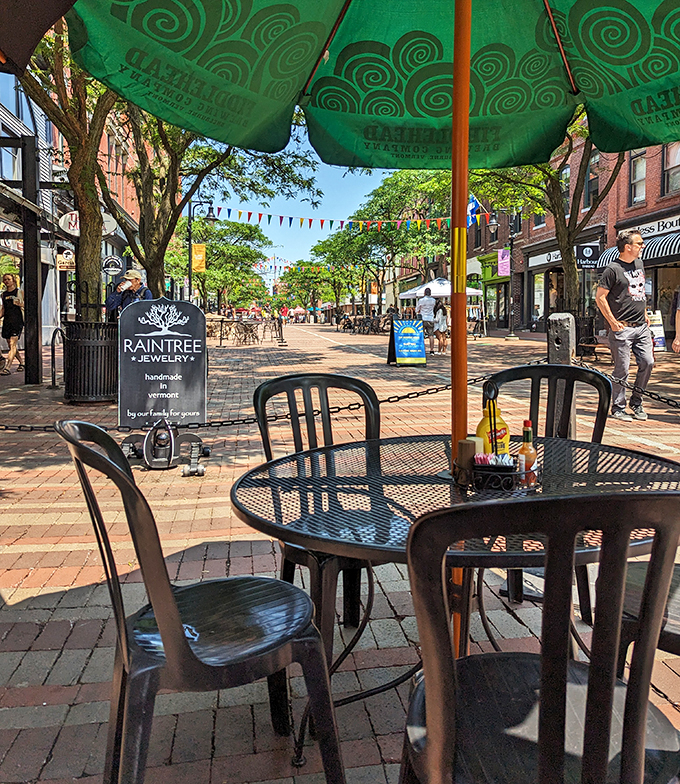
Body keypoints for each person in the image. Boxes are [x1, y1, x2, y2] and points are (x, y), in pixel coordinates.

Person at [595, 229, 653, 421]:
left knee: (647, 362)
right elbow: (600, 297)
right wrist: (612, 322)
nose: (642, 246)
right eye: (639, 243)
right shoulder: (612, 269)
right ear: (628, 247)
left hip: (641, 327)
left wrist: (644, 313)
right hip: (622, 328)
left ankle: (636, 402)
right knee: (623, 369)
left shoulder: (639, 263)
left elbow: (639, 292)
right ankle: (618, 407)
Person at [0, 273, 24, 374]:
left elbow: (26, 305)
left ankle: (8, 367)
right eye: (5, 279)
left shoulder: (19, 292)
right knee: (11, 346)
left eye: (9, 279)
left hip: (17, 321)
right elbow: (3, 309)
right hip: (7, 321)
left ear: (13, 280)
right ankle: (22, 363)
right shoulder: (3, 294)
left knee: (12, 344)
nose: (7, 281)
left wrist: (19, 303)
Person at [416, 287, 436, 355]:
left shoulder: (421, 300)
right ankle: (432, 350)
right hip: (430, 318)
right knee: (431, 335)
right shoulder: (433, 300)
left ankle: (421, 348)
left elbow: (417, 309)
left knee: (422, 334)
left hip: (423, 318)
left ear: (424, 293)